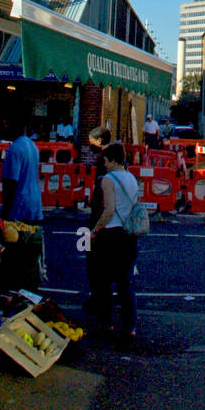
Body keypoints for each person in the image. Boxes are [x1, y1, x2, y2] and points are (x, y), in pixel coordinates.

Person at [87, 142, 141, 344]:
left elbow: (108, 210)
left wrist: (95, 230)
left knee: (104, 282)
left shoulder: (108, 180)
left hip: (111, 236)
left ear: (111, 159)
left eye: (105, 161)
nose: (104, 165)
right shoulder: (132, 178)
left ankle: (107, 325)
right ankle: (130, 328)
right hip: (129, 234)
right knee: (126, 283)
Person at [0, 124, 43, 223]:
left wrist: (5, 211)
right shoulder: (33, 146)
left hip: (19, 205)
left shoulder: (14, 149)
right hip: (35, 202)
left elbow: (11, 182)